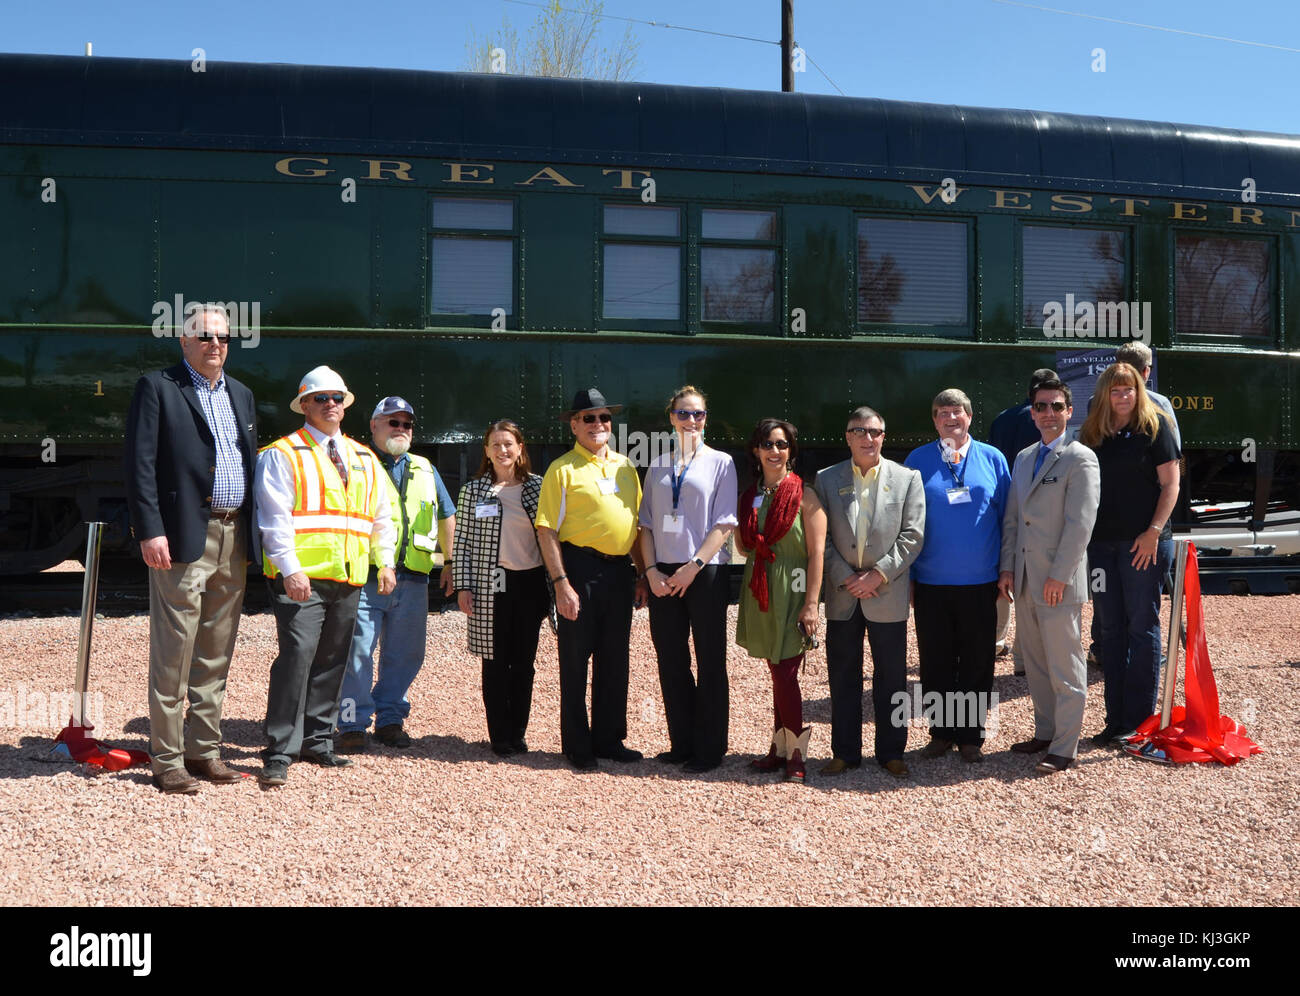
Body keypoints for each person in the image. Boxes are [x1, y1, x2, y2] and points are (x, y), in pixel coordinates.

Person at [124, 305, 257, 794]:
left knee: (216, 651)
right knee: (174, 651)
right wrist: (149, 529)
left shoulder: (240, 394)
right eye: (204, 336)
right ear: (184, 341)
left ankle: (205, 752)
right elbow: (140, 465)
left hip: (233, 534)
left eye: (223, 337)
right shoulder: (158, 388)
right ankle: (167, 759)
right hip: (183, 536)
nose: (215, 344)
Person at [255, 366, 396, 787]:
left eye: (337, 397)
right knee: (297, 658)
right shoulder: (283, 453)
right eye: (321, 398)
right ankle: (280, 749)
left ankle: (318, 741)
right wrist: (290, 569)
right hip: (302, 579)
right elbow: (273, 519)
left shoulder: (364, 457)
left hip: (349, 576)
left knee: (333, 661)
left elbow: (381, 515)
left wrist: (384, 561)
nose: (330, 404)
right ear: (304, 406)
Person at [535, 388, 649, 772]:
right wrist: (561, 583)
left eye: (603, 418)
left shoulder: (625, 467)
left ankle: (609, 739)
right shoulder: (562, 469)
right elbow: (547, 530)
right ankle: (577, 744)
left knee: (615, 659)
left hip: (619, 572)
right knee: (575, 659)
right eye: (589, 418)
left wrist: (642, 573)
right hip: (579, 571)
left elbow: (633, 526)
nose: (598, 425)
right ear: (574, 424)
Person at [337, 397, 455, 753]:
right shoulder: (357, 462)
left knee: (405, 654)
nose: (401, 429)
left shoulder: (424, 468)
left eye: (407, 424)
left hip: (414, 579)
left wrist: (449, 562)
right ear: (374, 426)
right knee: (357, 652)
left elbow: (445, 515)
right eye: (393, 422)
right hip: (367, 576)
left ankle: (390, 719)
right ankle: (352, 723)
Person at [814, 406, 924, 779]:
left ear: (883, 436)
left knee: (891, 677)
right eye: (858, 431)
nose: (867, 437)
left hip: (885, 593)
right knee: (843, 675)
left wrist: (877, 575)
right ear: (847, 437)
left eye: (874, 431)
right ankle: (845, 752)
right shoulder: (826, 479)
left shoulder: (907, 478)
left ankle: (892, 752)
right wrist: (847, 577)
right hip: (844, 594)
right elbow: (821, 539)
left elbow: (913, 536)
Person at [998, 378, 1100, 773]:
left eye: (1056, 406)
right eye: (1041, 406)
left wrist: (1060, 575)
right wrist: (1007, 567)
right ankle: (1045, 732)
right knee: (1037, 666)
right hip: (1024, 580)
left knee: (1065, 665)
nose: (1048, 413)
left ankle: (1065, 745)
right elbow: (1013, 519)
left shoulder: (1081, 459)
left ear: (1069, 412)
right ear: (1032, 412)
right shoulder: (1024, 457)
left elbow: (1080, 525)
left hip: (1058, 582)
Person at [904, 389, 1010, 762]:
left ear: (969, 417)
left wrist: (1007, 568)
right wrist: (910, 577)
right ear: (934, 420)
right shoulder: (916, 461)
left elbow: (1007, 520)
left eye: (957, 412)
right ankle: (941, 731)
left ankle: (971, 736)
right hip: (931, 582)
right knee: (936, 661)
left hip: (981, 580)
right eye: (942, 413)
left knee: (978, 660)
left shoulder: (993, 459)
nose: (951, 418)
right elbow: (908, 524)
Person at [638, 386, 738, 774]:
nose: (691, 420)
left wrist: (693, 566)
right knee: (672, 660)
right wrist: (650, 572)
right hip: (662, 574)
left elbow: (725, 522)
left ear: (706, 418)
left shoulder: (720, 463)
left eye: (698, 414)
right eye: (683, 414)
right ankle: (681, 742)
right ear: (671, 418)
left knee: (710, 660)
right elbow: (644, 524)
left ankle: (710, 748)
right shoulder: (658, 465)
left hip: (704, 572)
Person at [1080, 362, 1180, 746]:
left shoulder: (1155, 430)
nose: (1122, 397)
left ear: (1140, 391)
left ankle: (1139, 723)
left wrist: (1153, 533)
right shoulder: (1094, 434)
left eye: (1129, 389)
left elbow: (1171, 485)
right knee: (1110, 630)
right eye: (1115, 390)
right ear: (1104, 394)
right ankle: (1115, 720)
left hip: (1144, 545)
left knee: (1142, 626)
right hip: (1102, 547)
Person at [736, 418, 827, 784]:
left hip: (794, 588)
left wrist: (811, 604)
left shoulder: (805, 494)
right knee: (776, 671)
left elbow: (817, 553)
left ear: (791, 451)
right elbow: (744, 545)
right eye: (768, 444)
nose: (775, 451)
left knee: (786, 673)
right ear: (756, 451)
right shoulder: (750, 494)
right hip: (761, 589)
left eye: (782, 444)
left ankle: (796, 753)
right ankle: (778, 748)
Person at [454, 420, 551, 757]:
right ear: (486, 451)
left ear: (520, 448)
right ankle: (499, 735)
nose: (502, 450)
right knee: (494, 662)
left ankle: (517, 732)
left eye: (508, 444)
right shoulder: (473, 491)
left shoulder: (539, 488)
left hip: (530, 583)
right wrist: (464, 586)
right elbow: (462, 542)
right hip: (492, 584)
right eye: (495, 444)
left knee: (524, 662)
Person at [988, 368, 1058, 668]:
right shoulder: (1047, 422)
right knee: (1029, 582)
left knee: (1003, 574)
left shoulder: (1002, 418)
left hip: (1005, 503)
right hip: (1038, 511)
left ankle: (996, 640)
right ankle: (1021, 655)